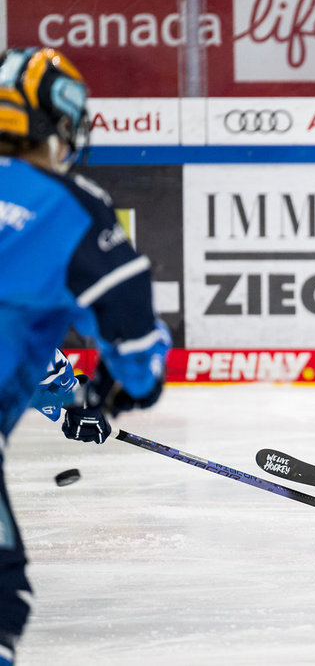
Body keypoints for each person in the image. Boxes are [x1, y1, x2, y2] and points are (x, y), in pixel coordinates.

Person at [0, 47, 170, 663]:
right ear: (57, 122)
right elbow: (137, 355)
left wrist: (64, 400)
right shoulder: (67, 207)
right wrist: (107, 394)